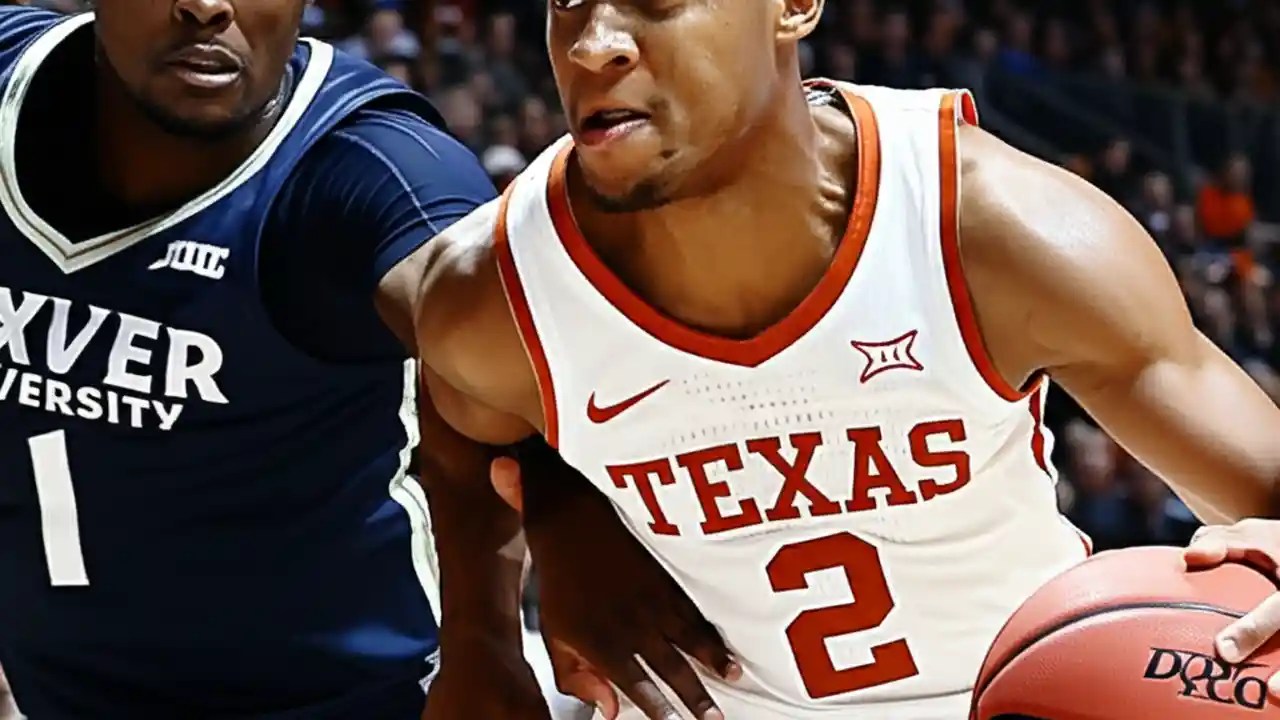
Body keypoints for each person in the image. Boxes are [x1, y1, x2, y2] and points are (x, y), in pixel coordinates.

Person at [396, 1, 1280, 718]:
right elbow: (458, 418)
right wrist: (487, 624)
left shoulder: (988, 229)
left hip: (1015, 689)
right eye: (565, 4)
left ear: (793, 8)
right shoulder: (502, 290)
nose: (593, 45)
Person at [0, 3, 731, 719]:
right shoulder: (11, 72)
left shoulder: (374, 167)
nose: (206, 8)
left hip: (344, 694)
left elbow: (503, 357)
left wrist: (554, 520)